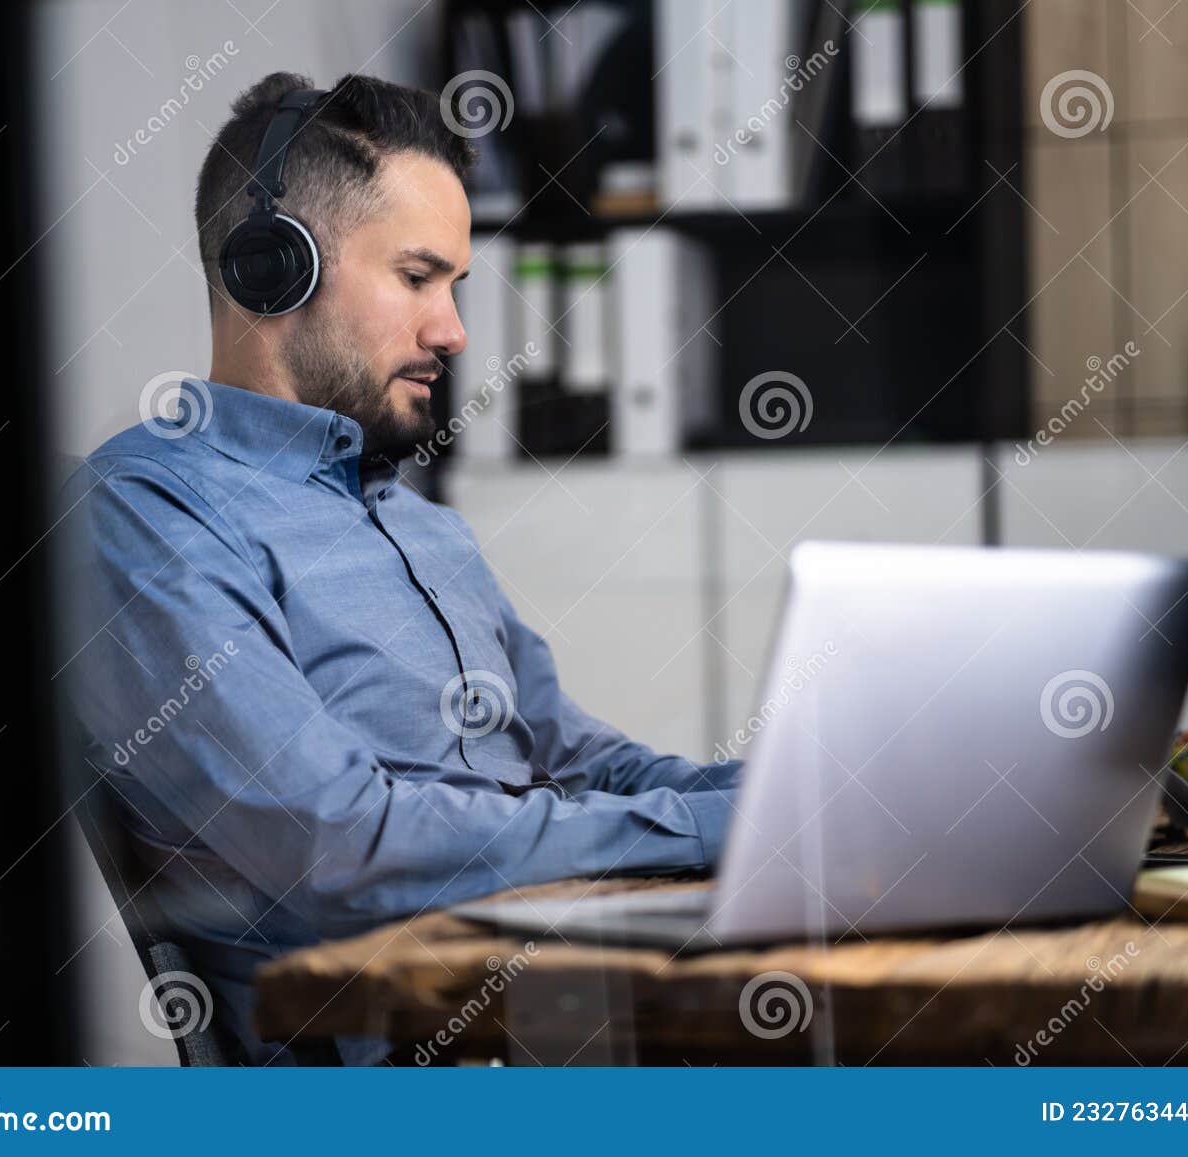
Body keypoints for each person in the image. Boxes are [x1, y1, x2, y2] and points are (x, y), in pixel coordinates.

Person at [60, 72, 741, 1065]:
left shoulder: (423, 528)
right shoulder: (146, 514)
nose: (452, 331)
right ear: (272, 268)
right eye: (419, 278)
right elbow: (343, 845)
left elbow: (579, 761)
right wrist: (707, 825)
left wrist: (782, 798)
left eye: (453, 286)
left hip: (561, 1016)